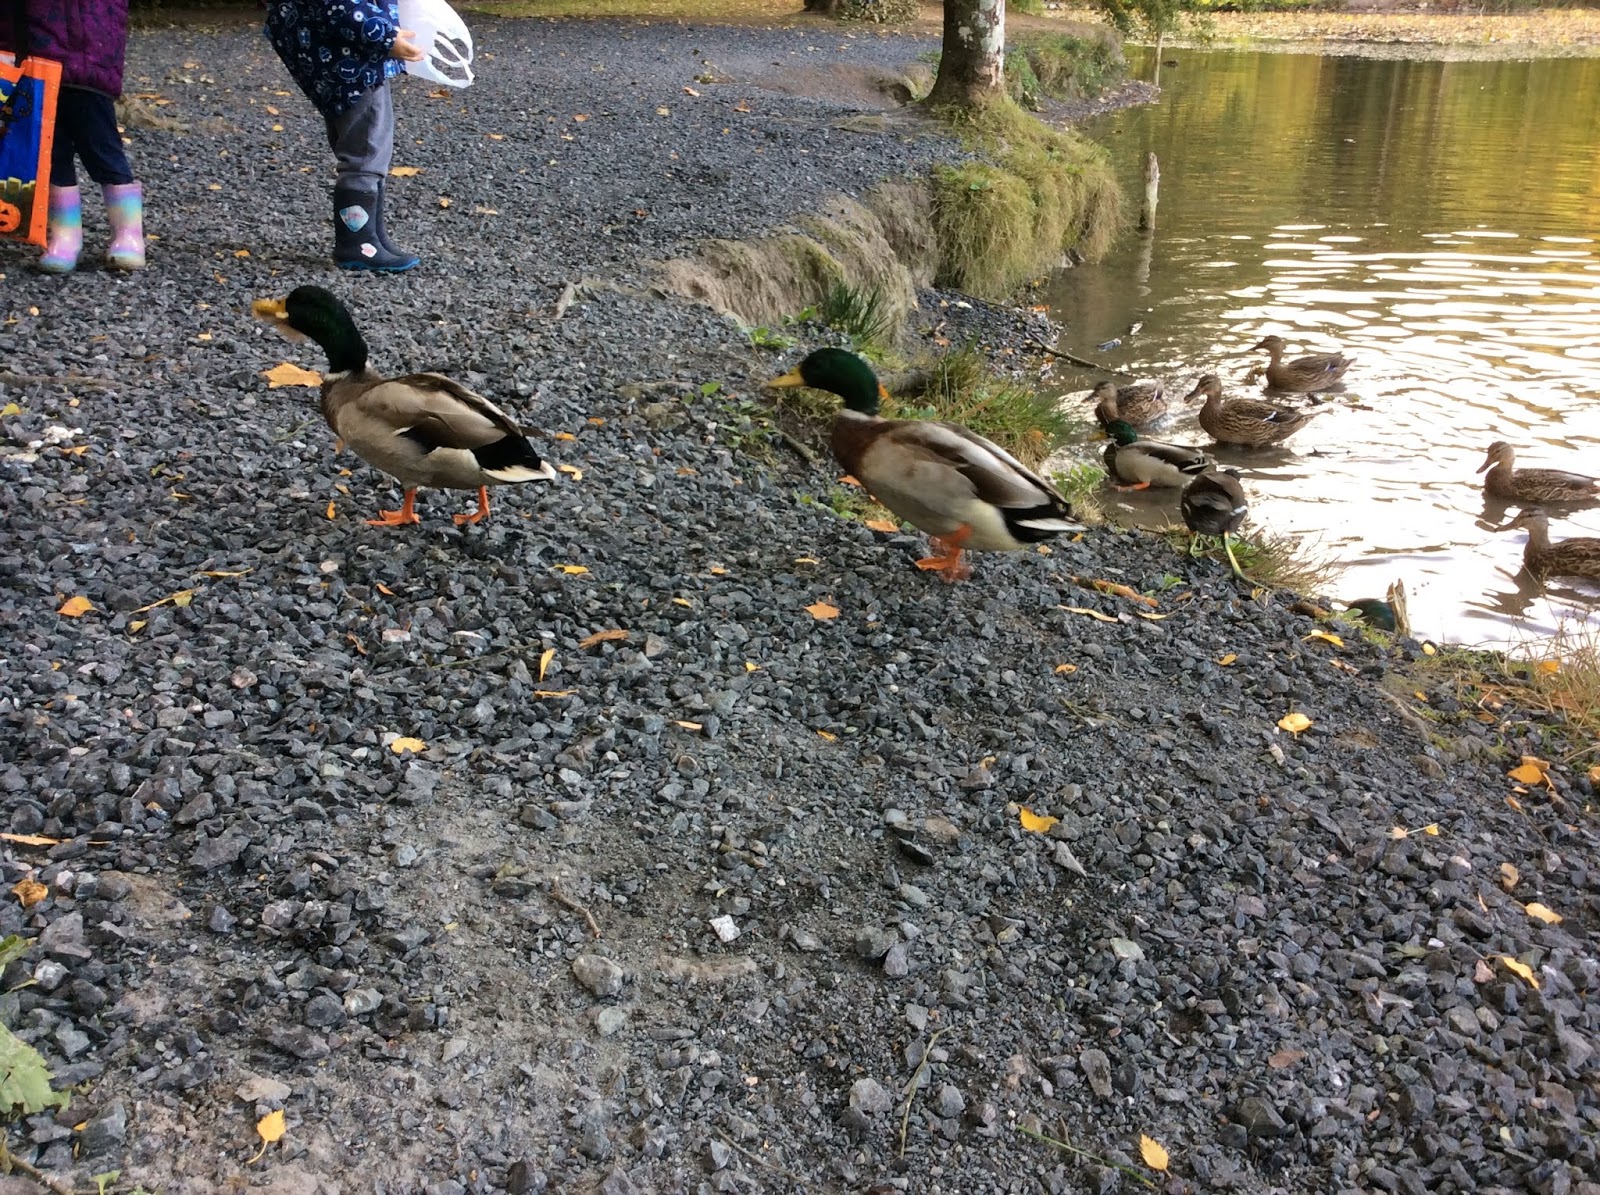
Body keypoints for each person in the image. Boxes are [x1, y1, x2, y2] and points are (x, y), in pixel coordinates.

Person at [264, 2, 426, 273]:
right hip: (352, 65)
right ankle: (358, 245)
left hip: (338, 60)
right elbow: (343, 6)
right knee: (366, 148)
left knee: (364, 142)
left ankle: (373, 235)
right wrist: (385, 36)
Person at [0, 0, 145, 273]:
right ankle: (65, 237)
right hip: (37, 61)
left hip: (90, 62)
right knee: (50, 153)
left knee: (102, 148)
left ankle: (128, 235)